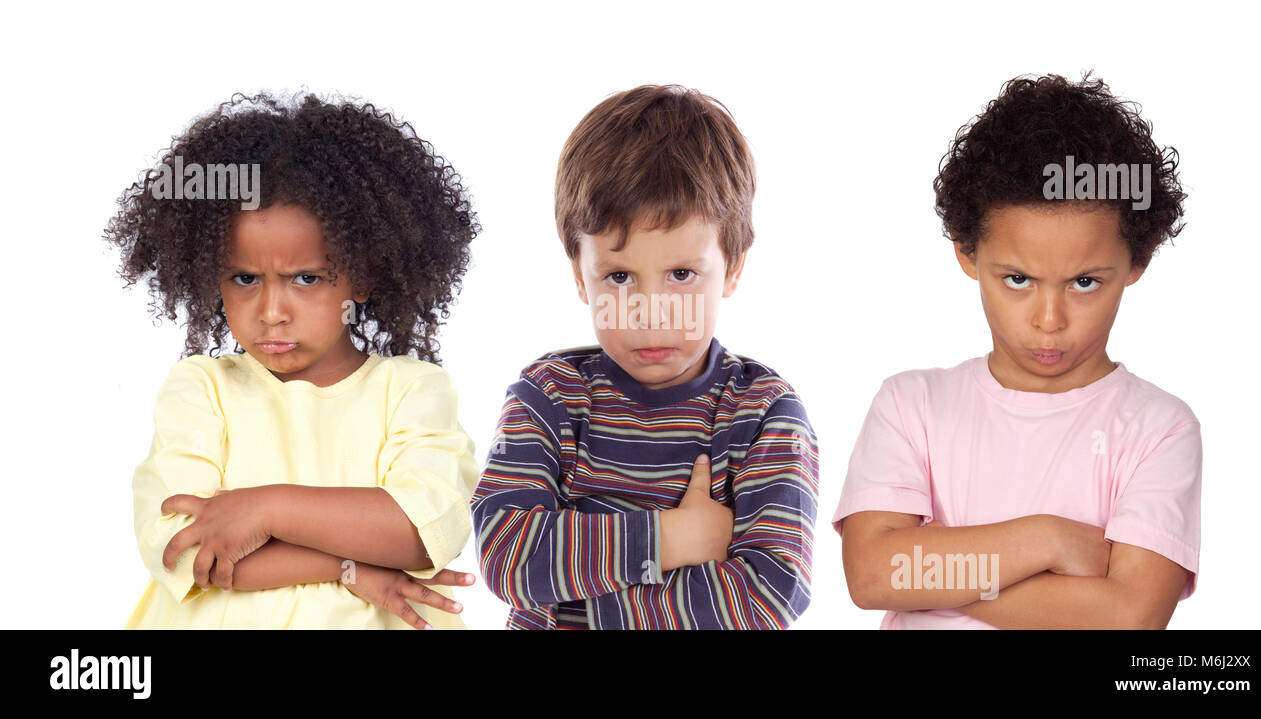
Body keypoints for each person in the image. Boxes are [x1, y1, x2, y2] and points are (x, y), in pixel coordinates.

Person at [835, 73, 1200, 629]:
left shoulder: (1159, 429)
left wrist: (933, 574)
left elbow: (1128, 618)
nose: (1048, 321)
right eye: (1017, 279)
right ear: (967, 251)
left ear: (1137, 260)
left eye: (1083, 282)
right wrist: (1048, 540)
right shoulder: (912, 405)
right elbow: (870, 574)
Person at [107, 92, 481, 629]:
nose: (272, 312)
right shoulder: (202, 390)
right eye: (245, 279)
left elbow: (422, 529)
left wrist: (265, 510)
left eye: (306, 278)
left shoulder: (411, 392)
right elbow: (184, 550)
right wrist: (350, 567)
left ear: (364, 274)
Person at [471, 85, 819, 629]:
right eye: (619, 276)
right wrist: (672, 539)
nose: (650, 313)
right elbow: (505, 555)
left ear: (731, 268)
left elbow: (771, 594)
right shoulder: (551, 394)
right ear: (579, 275)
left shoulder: (763, 413)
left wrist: (575, 589)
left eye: (681, 274)